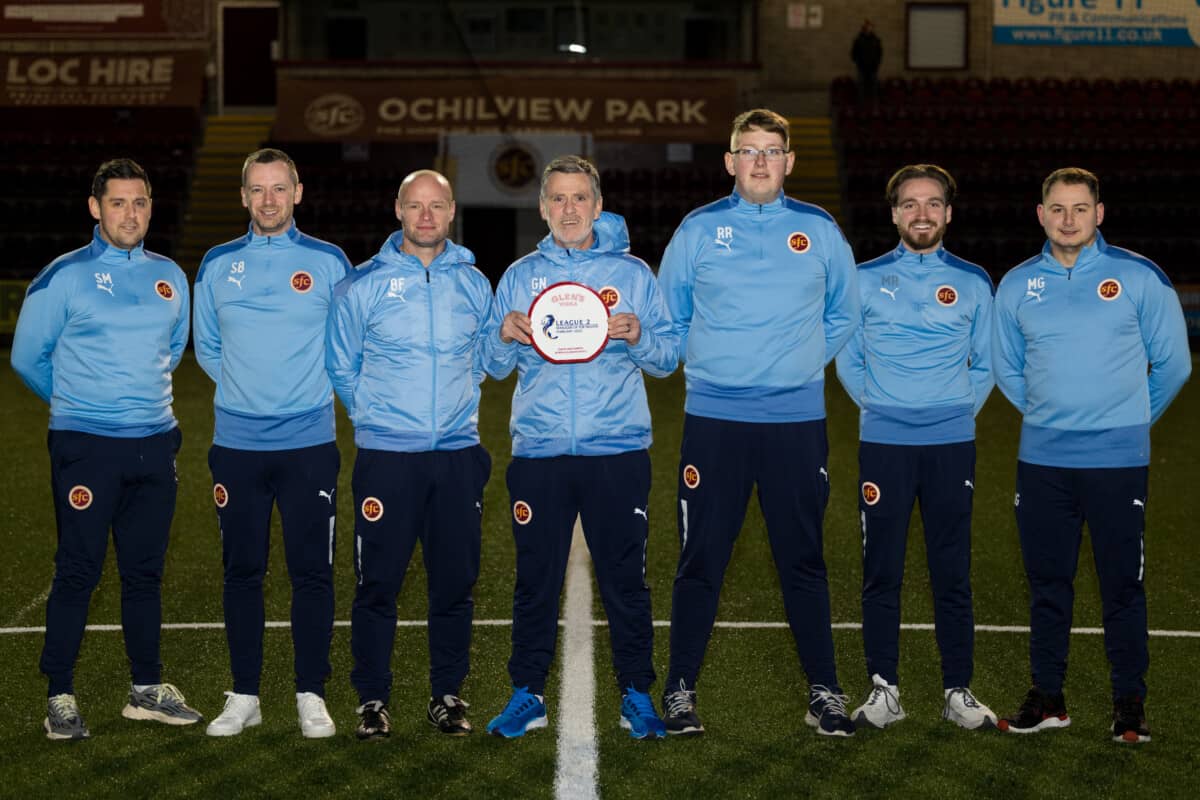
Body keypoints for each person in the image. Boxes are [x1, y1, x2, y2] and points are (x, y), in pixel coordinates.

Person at [656, 109, 860, 737]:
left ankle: (824, 691)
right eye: (749, 151)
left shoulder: (820, 230)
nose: (762, 162)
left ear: (790, 162)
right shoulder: (697, 230)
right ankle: (680, 690)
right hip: (714, 423)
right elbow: (671, 317)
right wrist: (723, 369)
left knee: (803, 559)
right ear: (730, 161)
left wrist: (794, 364)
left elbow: (843, 315)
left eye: (773, 151)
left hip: (796, 425)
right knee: (701, 560)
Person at [481, 155, 677, 740]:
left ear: (597, 205)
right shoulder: (519, 276)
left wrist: (641, 336)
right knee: (534, 577)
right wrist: (502, 334)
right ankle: (527, 693)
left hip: (616, 450)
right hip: (540, 452)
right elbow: (490, 368)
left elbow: (668, 359)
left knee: (626, 578)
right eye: (558, 199)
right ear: (543, 208)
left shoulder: (635, 273)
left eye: (580, 198)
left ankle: (636, 693)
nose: (569, 209)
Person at [992, 167, 1190, 743]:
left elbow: (1173, 364)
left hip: (1117, 460)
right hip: (1044, 462)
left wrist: (1125, 421)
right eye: (1058, 209)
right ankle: (1048, 697)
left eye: (1080, 208)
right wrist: (1055, 415)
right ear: (1041, 214)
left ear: (1099, 213)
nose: (1069, 219)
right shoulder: (1017, 284)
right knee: (1047, 582)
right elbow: (1006, 367)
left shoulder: (1138, 276)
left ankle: (1129, 703)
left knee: (1120, 585)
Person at [11, 158, 202, 739]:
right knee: (78, 572)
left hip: (154, 444)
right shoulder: (63, 276)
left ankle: (145, 689)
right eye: (117, 202)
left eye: (140, 202)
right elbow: (26, 358)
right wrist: (80, 411)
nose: (130, 213)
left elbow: (170, 353)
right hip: (86, 450)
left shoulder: (170, 275)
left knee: (144, 574)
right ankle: (59, 695)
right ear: (95, 208)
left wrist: (138, 412)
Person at [326, 170, 496, 741]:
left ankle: (446, 695)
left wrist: (451, 414)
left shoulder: (475, 283)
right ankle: (372, 699)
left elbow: (483, 362)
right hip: (387, 459)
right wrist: (377, 417)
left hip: (456, 457)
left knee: (454, 584)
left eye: (437, 206)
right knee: (378, 584)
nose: (426, 216)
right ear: (397, 208)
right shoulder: (362, 284)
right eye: (416, 205)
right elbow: (341, 365)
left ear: (452, 211)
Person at [193, 148, 351, 738]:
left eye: (279, 189)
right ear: (242, 197)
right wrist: (250, 388)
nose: (268, 200)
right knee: (242, 572)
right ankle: (245, 695)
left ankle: (311, 692)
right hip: (236, 445)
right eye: (257, 190)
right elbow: (208, 349)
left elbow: (346, 344)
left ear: (298, 192)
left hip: (309, 443)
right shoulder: (215, 263)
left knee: (312, 573)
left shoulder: (329, 261)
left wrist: (294, 392)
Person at [834, 164, 998, 731]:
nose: (921, 213)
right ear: (895, 213)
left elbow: (989, 362)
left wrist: (950, 411)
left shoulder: (975, 281)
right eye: (910, 204)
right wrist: (883, 407)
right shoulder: (862, 279)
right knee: (882, 570)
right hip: (884, 444)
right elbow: (847, 358)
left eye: (932, 204)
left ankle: (958, 690)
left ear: (948, 213)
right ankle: (885, 689)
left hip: (952, 445)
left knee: (951, 571)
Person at [851, 20, 883, 102]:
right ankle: (861, 104)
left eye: (871, 27)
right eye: (868, 27)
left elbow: (880, 53)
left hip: (873, 68)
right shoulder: (858, 40)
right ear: (864, 28)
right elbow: (853, 53)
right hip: (862, 68)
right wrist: (859, 62)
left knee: (874, 88)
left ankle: (873, 105)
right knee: (861, 87)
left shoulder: (876, 40)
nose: (870, 28)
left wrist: (877, 63)